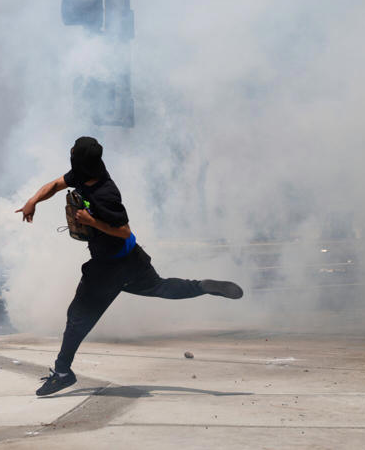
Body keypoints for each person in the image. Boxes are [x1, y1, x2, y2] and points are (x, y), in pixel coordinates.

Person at [16, 136, 243, 396]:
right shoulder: (84, 172)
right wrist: (33, 200)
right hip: (132, 260)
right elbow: (56, 184)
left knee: (77, 318)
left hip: (107, 269)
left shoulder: (106, 193)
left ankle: (63, 372)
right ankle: (202, 286)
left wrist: (91, 221)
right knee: (160, 287)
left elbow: (123, 230)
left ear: (80, 160)